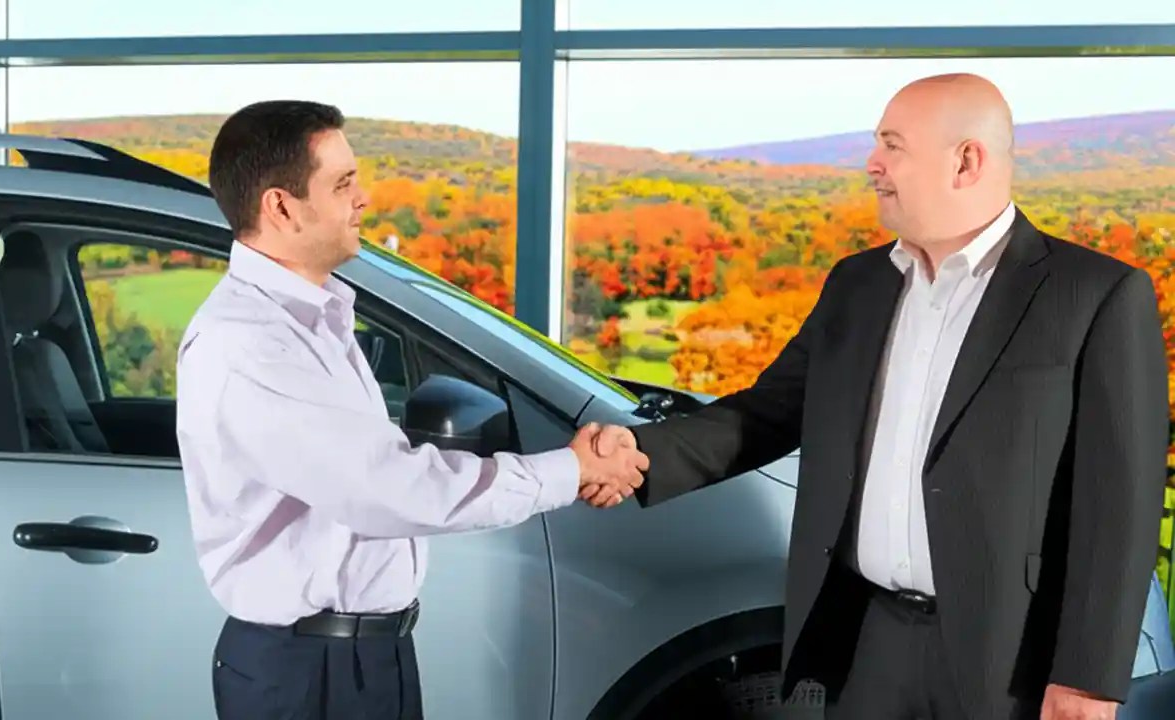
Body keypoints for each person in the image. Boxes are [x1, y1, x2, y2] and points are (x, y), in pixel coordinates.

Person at [585, 73, 1169, 720]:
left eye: (892, 146)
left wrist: (1088, 680)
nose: (872, 165)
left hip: (1012, 661)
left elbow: (1121, 506)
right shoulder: (856, 285)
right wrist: (640, 454)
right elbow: (768, 412)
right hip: (868, 645)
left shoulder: (1096, 295)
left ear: (965, 160)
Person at [174, 99, 649, 720]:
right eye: (343, 183)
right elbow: (389, 489)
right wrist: (572, 469)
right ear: (281, 206)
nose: (363, 198)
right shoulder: (251, 343)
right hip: (311, 677)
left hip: (362, 661)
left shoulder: (316, 320)